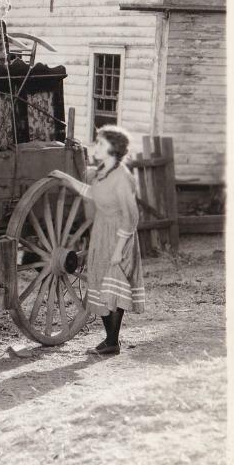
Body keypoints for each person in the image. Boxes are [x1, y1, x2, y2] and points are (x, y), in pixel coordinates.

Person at [50, 125, 145, 356]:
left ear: (113, 149)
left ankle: (112, 341)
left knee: (114, 284)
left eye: (101, 143)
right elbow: (92, 193)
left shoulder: (123, 177)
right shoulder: (103, 172)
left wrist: (119, 250)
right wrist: (65, 178)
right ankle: (110, 341)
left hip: (120, 235)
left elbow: (131, 216)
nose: (96, 147)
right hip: (101, 233)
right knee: (99, 283)